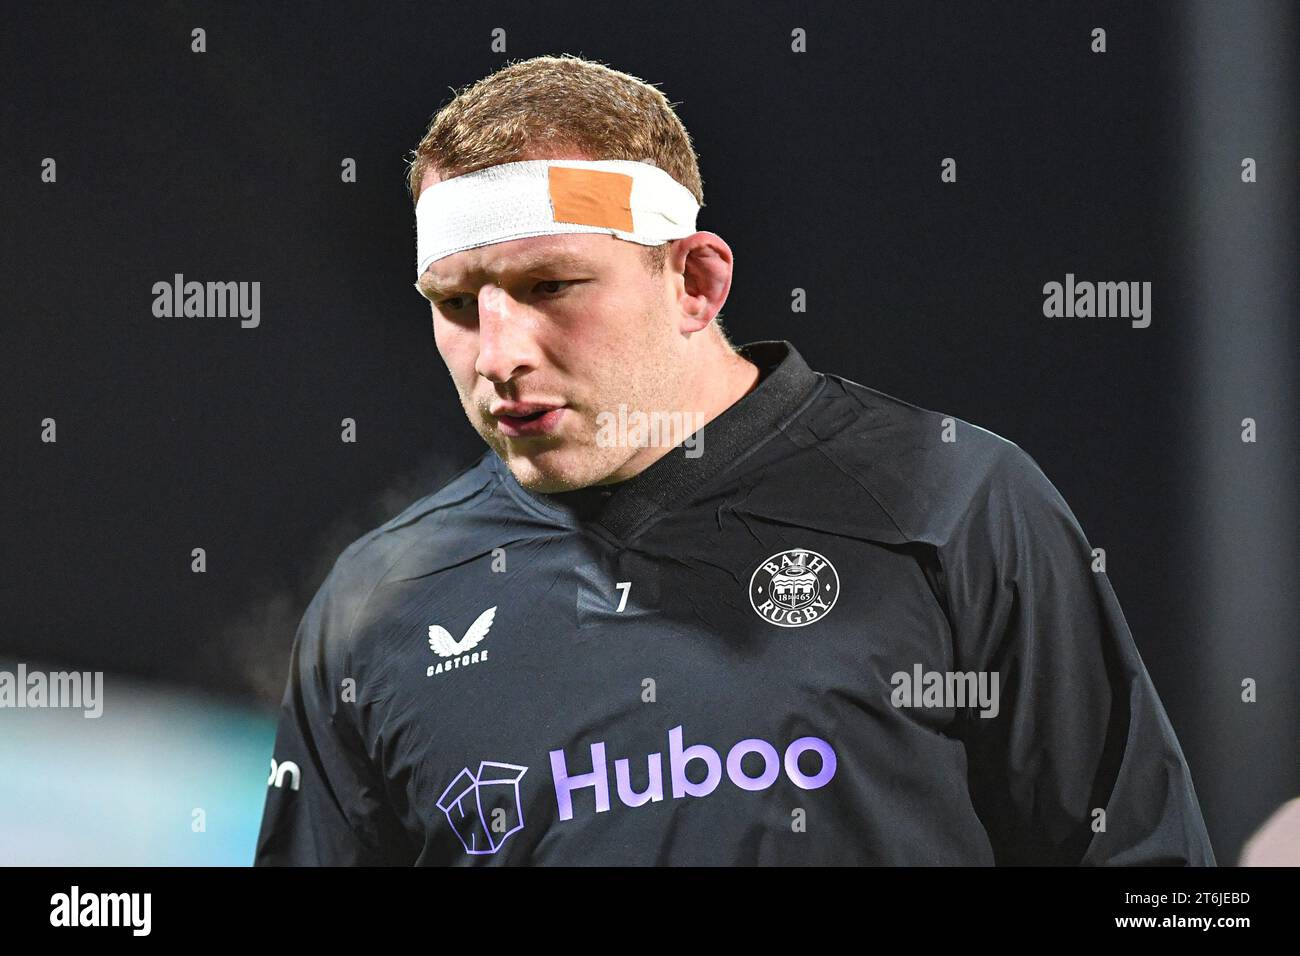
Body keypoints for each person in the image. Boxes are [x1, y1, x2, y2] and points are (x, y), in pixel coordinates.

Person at [254, 54, 1215, 865]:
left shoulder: (954, 503)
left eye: (550, 284)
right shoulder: (377, 608)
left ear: (696, 281)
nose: (497, 352)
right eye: (457, 304)